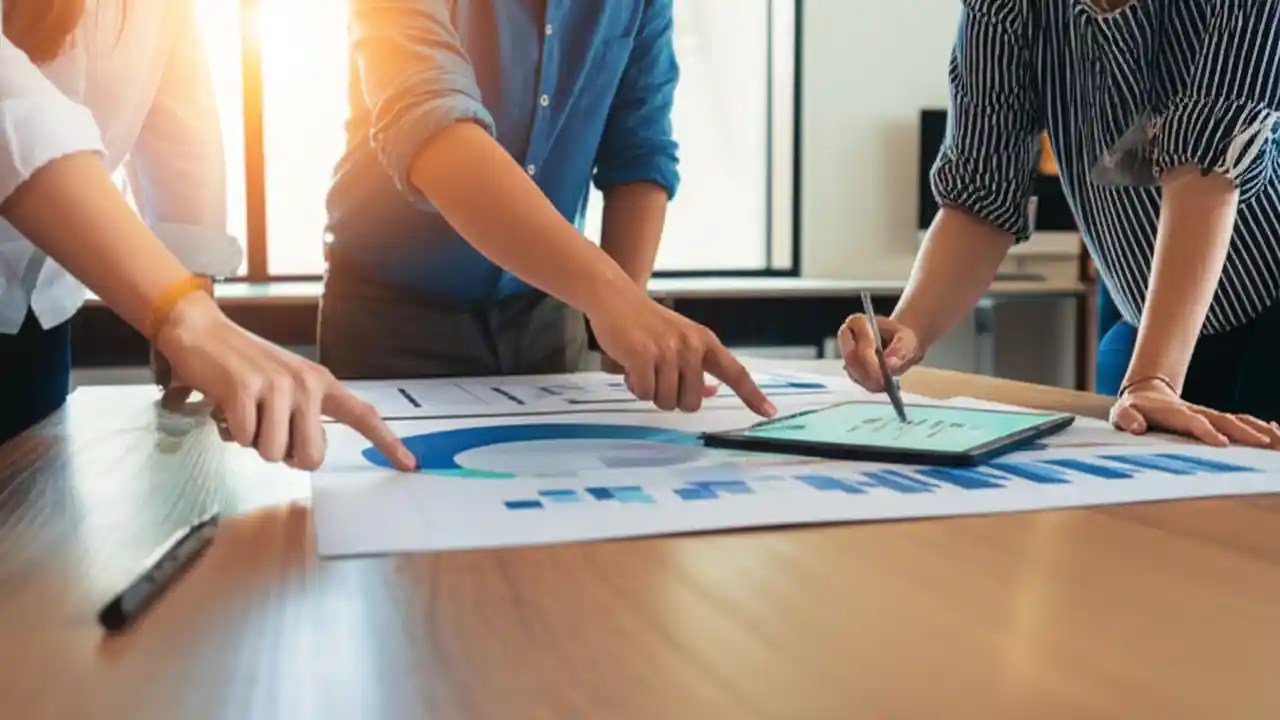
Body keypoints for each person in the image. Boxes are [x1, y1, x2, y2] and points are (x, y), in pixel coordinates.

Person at [841, 0, 1280, 447]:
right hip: (1141, 322)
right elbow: (979, 196)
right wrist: (909, 329)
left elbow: (1207, 164)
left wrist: (1153, 377)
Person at [0, 0, 415, 470]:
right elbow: (10, 107)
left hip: (40, 302)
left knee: (31, 517)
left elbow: (177, 115)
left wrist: (193, 283)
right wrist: (182, 314)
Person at [320, 0, 775, 419]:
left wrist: (626, 324)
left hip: (550, 316)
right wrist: (615, 300)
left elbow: (640, 148)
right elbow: (431, 121)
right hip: (390, 320)